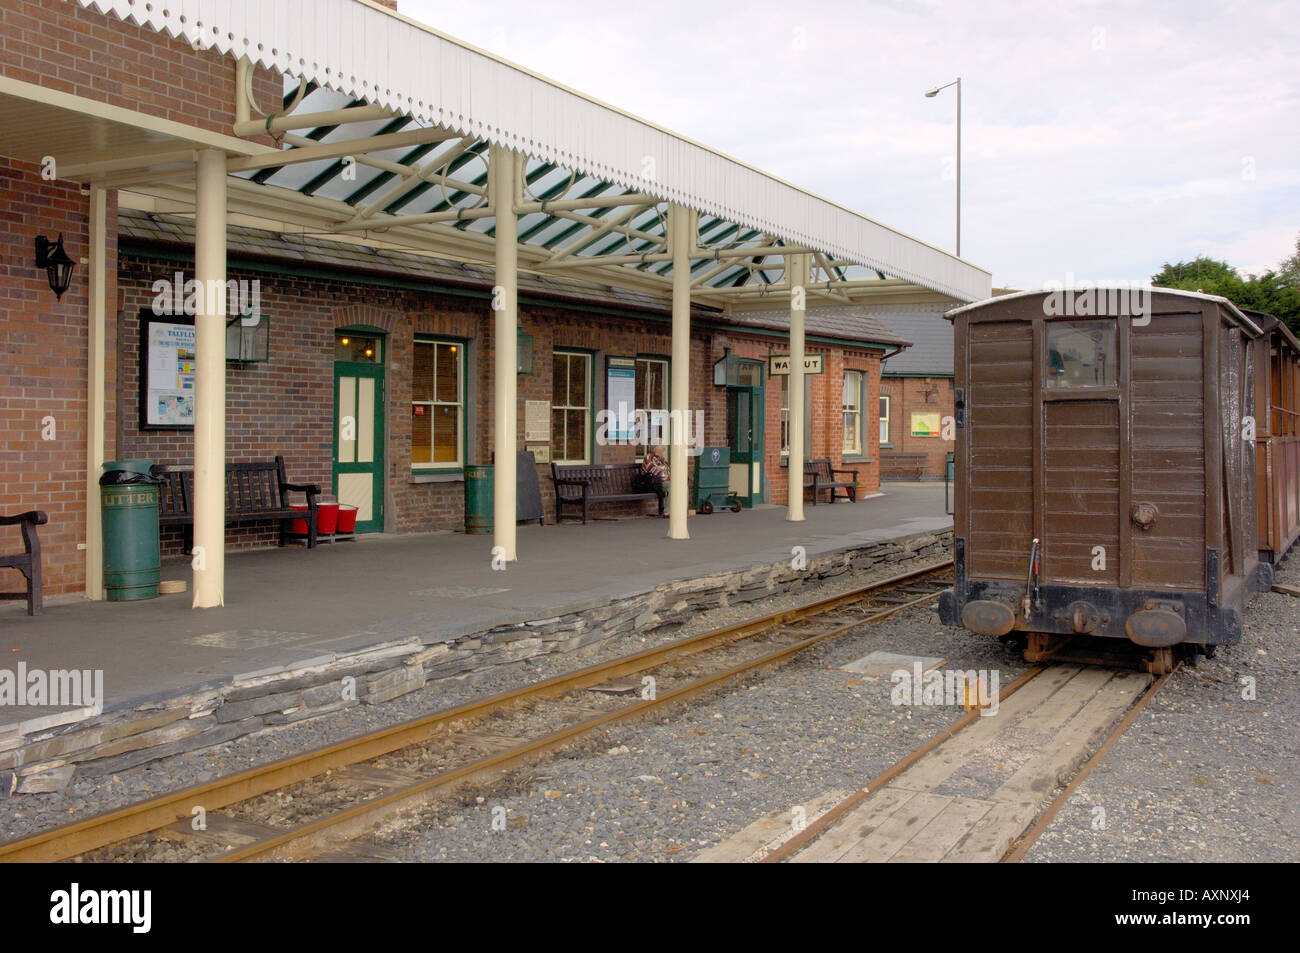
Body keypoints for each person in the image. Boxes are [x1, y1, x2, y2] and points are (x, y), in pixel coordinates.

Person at [641, 444, 670, 516]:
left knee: (682, 485)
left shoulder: (662, 460)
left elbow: (669, 470)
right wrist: (668, 477)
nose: (664, 451)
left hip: (663, 481)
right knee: (671, 485)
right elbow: (654, 471)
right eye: (663, 449)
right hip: (653, 483)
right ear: (657, 449)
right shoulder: (648, 458)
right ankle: (668, 511)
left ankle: (683, 510)